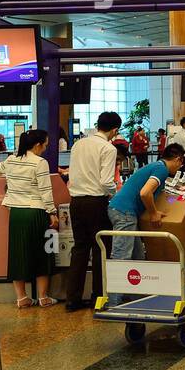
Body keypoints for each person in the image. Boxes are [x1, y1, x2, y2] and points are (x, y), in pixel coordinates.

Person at [0, 129, 59, 308]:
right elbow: (45, 190)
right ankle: (43, 297)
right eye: (45, 144)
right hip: (36, 212)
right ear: (37, 145)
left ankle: (22, 298)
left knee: (18, 254)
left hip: (16, 213)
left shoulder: (11, 160)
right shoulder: (40, 163)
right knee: (44, 253)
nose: (45, 147)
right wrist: (52, 212)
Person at [105, 144, 185, 304]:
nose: (180, 167)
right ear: (177, 159)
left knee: (137, 257)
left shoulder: (156, 166)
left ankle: (135, 299)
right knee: (122, 256)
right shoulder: (161, 169)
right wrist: (154, 213)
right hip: (124, 212)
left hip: (124, 211)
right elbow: (145, 192)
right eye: (181, 163)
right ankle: (113, 303)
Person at [65, 112, 121, 312]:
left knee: (79, 249)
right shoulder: (108, 148)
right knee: (101, 249)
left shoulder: (79, 144)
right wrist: (115, 194)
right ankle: (98, 298)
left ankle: (73, 299)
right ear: (114, 130)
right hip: (96, 202)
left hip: (76, 202)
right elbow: (106, 181)